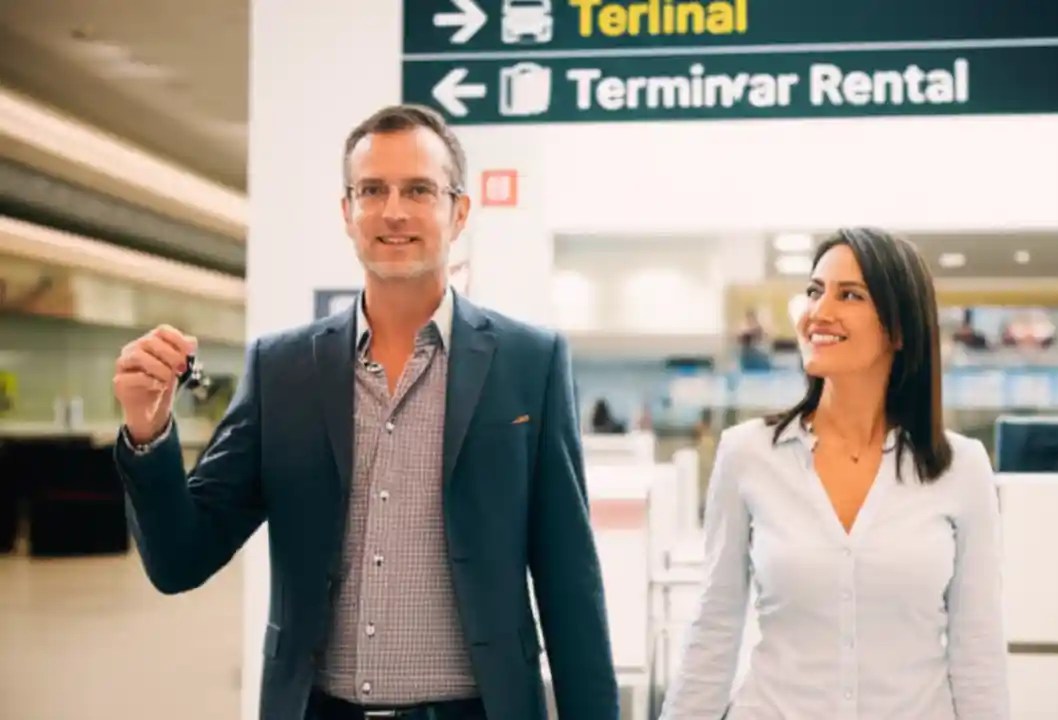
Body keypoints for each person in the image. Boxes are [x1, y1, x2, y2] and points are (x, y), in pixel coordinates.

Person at [111, 104, 619, 720]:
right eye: (372, 190)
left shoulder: (529, 362)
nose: (395, 210)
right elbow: (179, 561)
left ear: (458, 212)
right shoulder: (284, 370)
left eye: (419, 190)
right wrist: (148, 430)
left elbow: (570, 586)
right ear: (347, 211)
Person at [660, 227, 1009, 719]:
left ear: (899, 328)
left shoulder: (961, 468)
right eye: (814, 291)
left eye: (850, 295)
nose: (818, 314)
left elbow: (978, 654)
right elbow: (714, 630)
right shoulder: (748, 454)